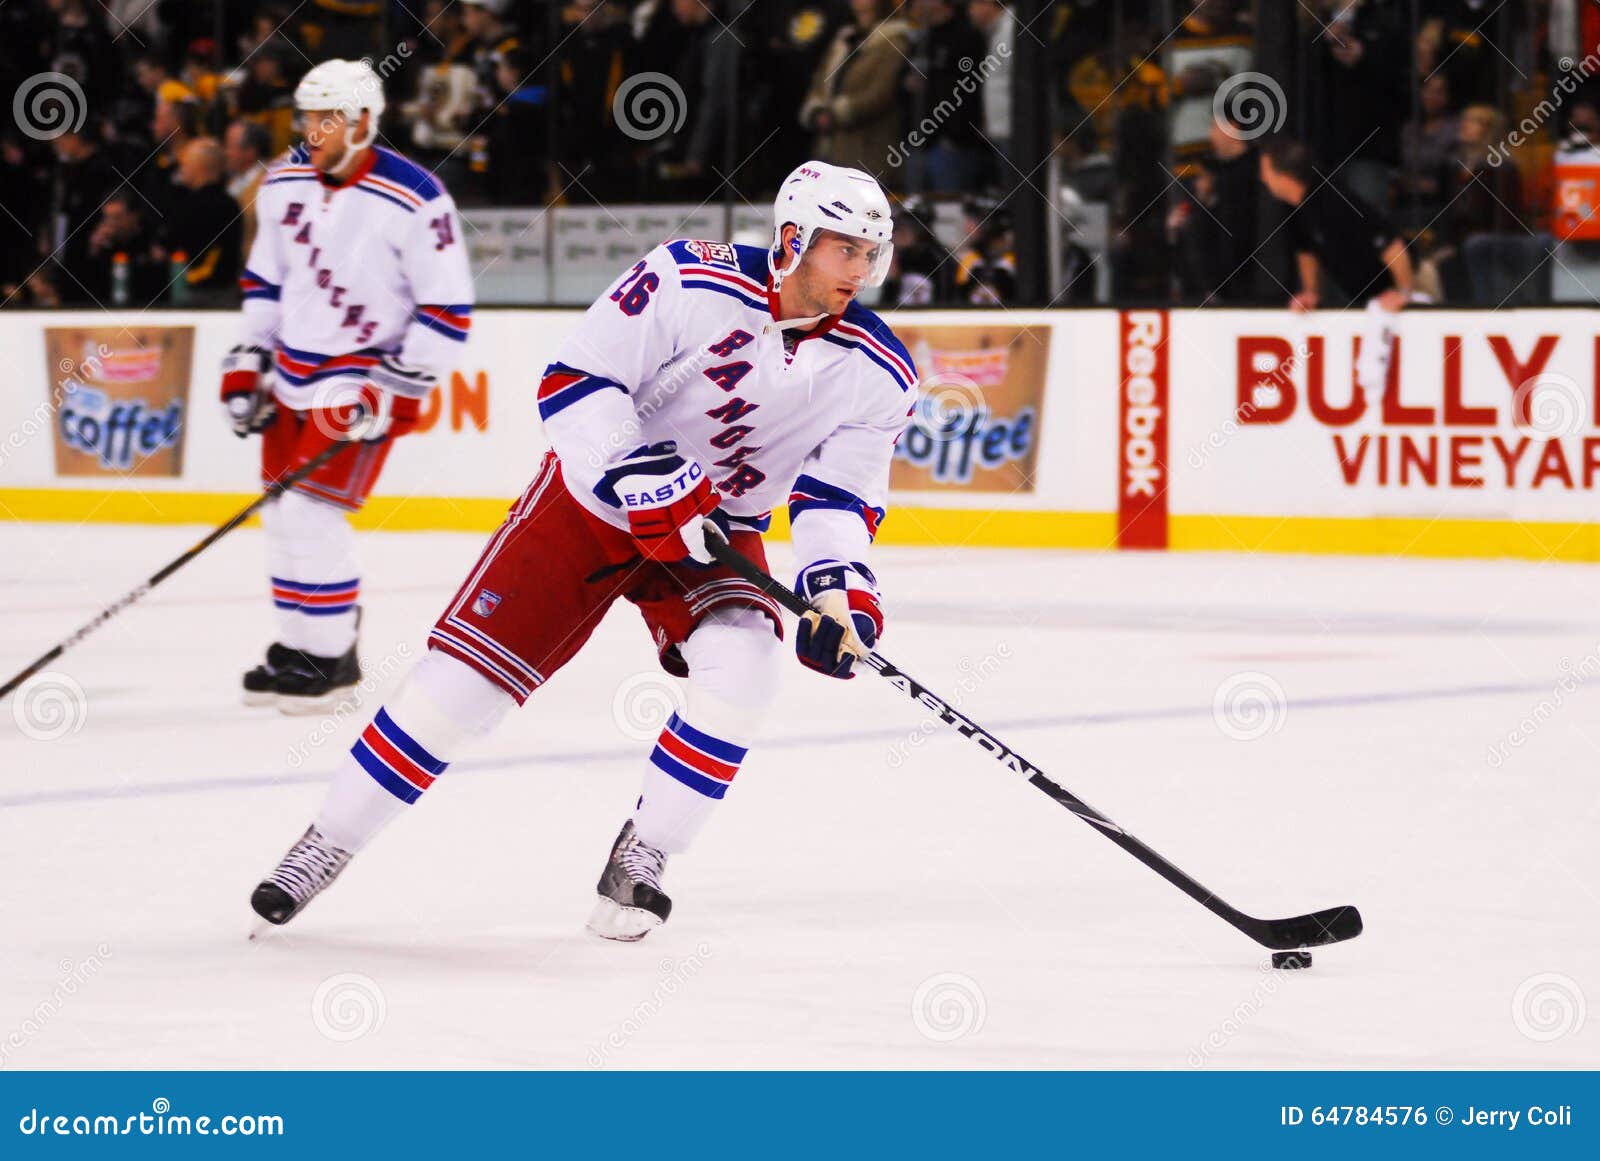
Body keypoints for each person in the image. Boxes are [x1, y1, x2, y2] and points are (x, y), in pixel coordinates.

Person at [248, 161, 917, 944]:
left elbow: (836, 499)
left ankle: (645, 855)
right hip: (591, 503)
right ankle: (325, 843)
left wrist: (837, 594)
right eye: (848, 250)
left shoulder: (881, 371)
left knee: (746, 666)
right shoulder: (684, 278)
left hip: (714, 530)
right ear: (795, 239)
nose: (863, 270)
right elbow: (575, 378)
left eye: (875, 253)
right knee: (460, 689)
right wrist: (637, 469)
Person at [221, 59, 474, 711]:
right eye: (307, 117)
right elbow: (266, 283)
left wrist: (391, 389)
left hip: (362, 380)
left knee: (311, 510)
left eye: (327, 117)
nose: (312, 130)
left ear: (364, 121)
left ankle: (331, 658)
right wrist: (249, 357)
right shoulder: (281, 185)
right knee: (280, 513)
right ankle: (301, 642)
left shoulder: (416, 198)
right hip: (291, 374)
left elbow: (448, 310)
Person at [1260, 136, 1413, 390]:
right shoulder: (1293, 205)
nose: (1263, 179)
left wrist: (1405, 292)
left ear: (1283, 175)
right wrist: (1311, 290)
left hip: (1405, 278)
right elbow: (1305, 248)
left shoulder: (1334, 200)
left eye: (1265, 172)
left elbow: (1392, 245)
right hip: (1366, 296)